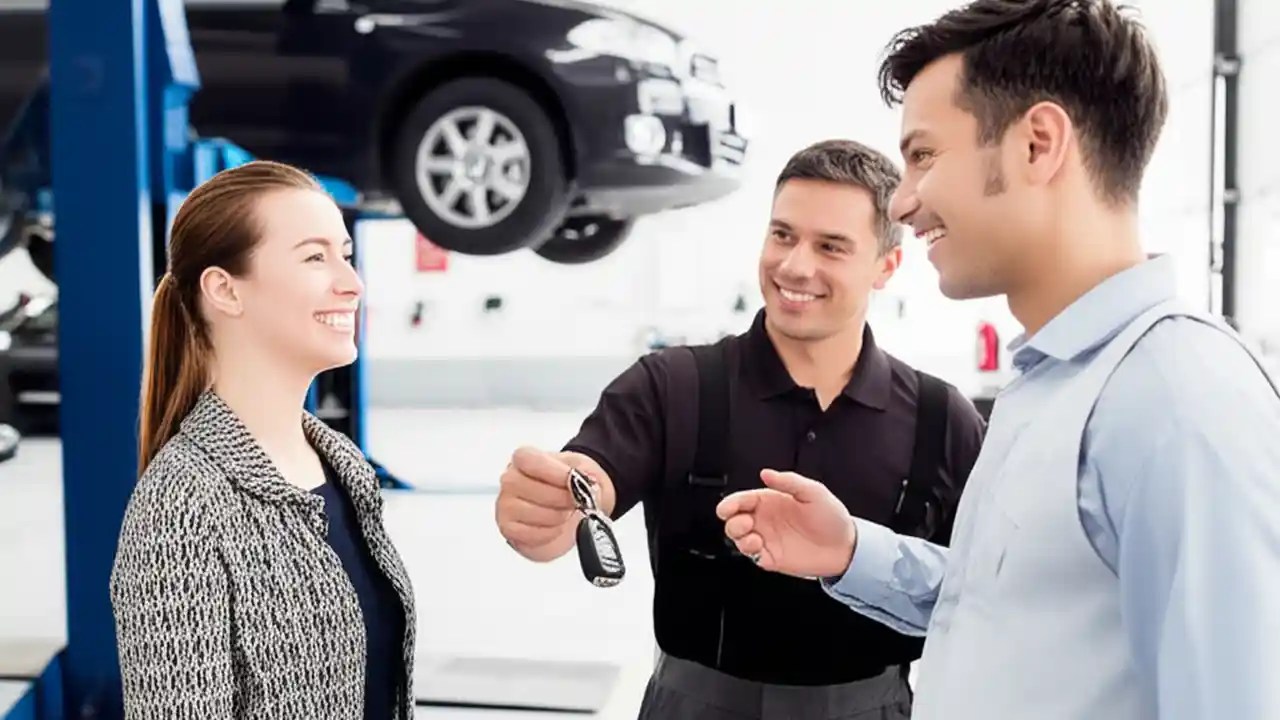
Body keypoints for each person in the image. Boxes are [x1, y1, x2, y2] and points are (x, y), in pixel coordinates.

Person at [716, 2, 1280, 719]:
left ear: (1038, 144)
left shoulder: (1176, 400)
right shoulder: (1054, 384)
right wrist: (854, 551)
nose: (906, 199)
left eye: (922, 155)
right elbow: (1014, 606)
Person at [495, 139, 987, 719]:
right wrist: (550, 506)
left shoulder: (943, 419)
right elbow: (590, 478)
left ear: (886, 265)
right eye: (783, 235)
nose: (795, 266)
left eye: (831, 246)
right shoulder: (673, 385)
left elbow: (982, 593)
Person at [109, 160, 417, 719]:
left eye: (344, 255)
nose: (351, 283)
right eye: (315, 257)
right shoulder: (181, 506)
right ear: (225, 290)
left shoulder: (341, 464)